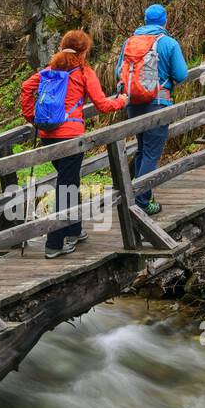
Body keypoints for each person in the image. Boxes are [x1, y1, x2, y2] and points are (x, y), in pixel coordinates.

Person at [21, 29, 128, 258]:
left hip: (48, 136)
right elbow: (102, 105)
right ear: (85, 50)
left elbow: (26, 88)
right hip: (70, 137)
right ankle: (55, 244)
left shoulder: (50, 71)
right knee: (66, 187)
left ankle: (74, 229)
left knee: (70, 182)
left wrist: (32, 118)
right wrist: (122, 100)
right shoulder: (83, 71)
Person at [115, 4, 188, 216]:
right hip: (158, 103)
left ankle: (138, 196)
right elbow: (181, 74)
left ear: (145, 20)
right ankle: (142, 202)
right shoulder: (168, 43)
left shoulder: (129, 42)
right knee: (151, 153)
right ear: (165, 21)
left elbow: (118, 71)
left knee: (141, 149)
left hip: (133, 103)